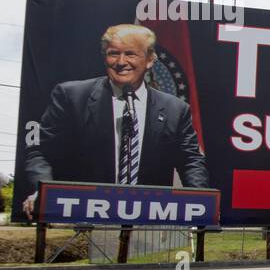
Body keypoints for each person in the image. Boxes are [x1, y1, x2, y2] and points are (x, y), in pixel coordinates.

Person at [22, 24, 209, 217]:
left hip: (148, 226)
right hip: (82, 219)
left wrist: (201, 202)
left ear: (150, 60)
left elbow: (191, 161)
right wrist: (44, 191)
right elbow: (40, 153)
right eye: (113, 54)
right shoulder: (71, 97)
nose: (121, 62)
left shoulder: (175, 110)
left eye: (130, 54)